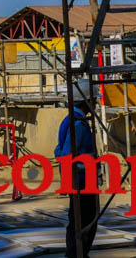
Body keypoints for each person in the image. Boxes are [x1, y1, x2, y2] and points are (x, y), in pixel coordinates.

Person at [56, 89, 98, 257]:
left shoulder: (70, 119)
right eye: (93, 100)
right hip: (82, 179)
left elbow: (59, 150)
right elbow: (66, 153)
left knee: (77, 219)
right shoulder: (78, 122)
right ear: (86, 100)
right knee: (85, 220)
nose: (95, 103)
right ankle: (76, 254)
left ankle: (76, 253)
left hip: (78, 178)